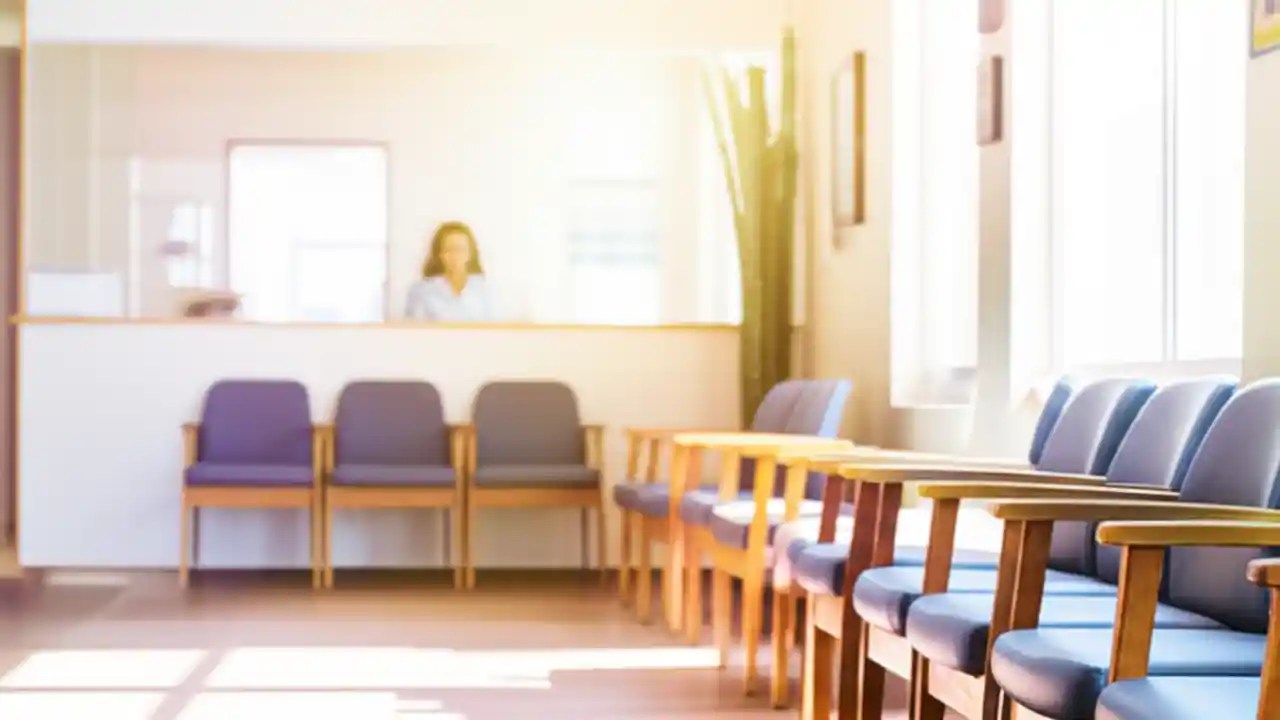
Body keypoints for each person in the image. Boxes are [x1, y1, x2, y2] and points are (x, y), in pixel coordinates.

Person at [405, 221, 494, 322]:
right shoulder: (420, 292)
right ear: (439, 254)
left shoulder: (485, 291)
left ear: (470, 253)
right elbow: (415, 328)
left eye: (460, 249)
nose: (455, 256)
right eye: (449, 250)